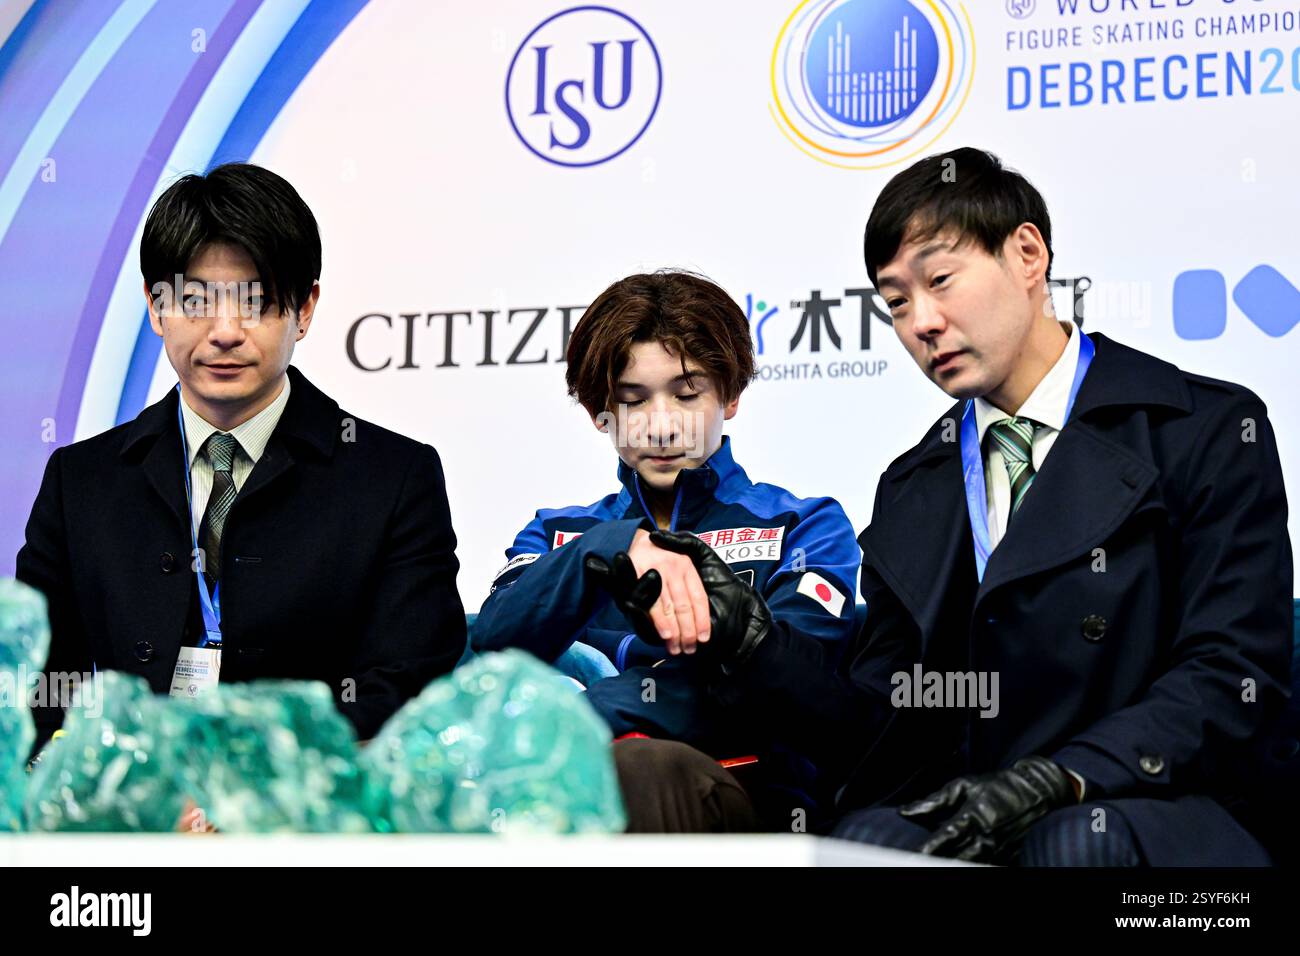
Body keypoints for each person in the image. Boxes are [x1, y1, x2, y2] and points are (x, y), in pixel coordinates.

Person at [613, 148, 1292, 863]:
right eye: (897, 302)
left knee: (1072, 844)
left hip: (1167, 807)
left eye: (940, 280)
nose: (922, 323)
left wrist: (1066, 777)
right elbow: (885, 716)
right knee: (872, 844)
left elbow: (1230, 670)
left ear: (1027, 254)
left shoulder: (1201, 429)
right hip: (982, 803)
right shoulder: (916, 486)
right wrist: (749, 639)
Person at [16, 163, 466, 754]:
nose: (225, 332)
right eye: (196, 302)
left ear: (304, 309)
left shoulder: (393, 478)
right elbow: (39, 686)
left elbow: (410, 690)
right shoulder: (84, 481)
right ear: (156, 309)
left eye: (254, 303)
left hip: (305, 822)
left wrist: (255, 788)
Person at [471, 270, 861, 831]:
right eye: (633, 400)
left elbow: (793, 679)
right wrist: (610, 544)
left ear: (729, 396)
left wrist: (593, 701)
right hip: (556, 801)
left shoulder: (803, 524)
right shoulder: (558, 534)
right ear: (598, 414)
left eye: (686, 394)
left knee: (641, 768)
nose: (661, 427)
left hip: (751, 801)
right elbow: (496, 642)